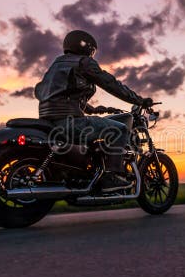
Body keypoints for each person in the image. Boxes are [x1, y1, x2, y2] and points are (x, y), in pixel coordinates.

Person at [34, 30, 153, 192]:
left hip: (49, 120)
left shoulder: (56, 65)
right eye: (92, 50)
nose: (92, 54)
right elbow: (111, 84)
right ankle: (111, 177)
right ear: (86, 47)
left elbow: (61, 94)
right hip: (69, 122)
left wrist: (95, 109)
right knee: (119, 130)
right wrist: (138, 100)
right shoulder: (84, 62)